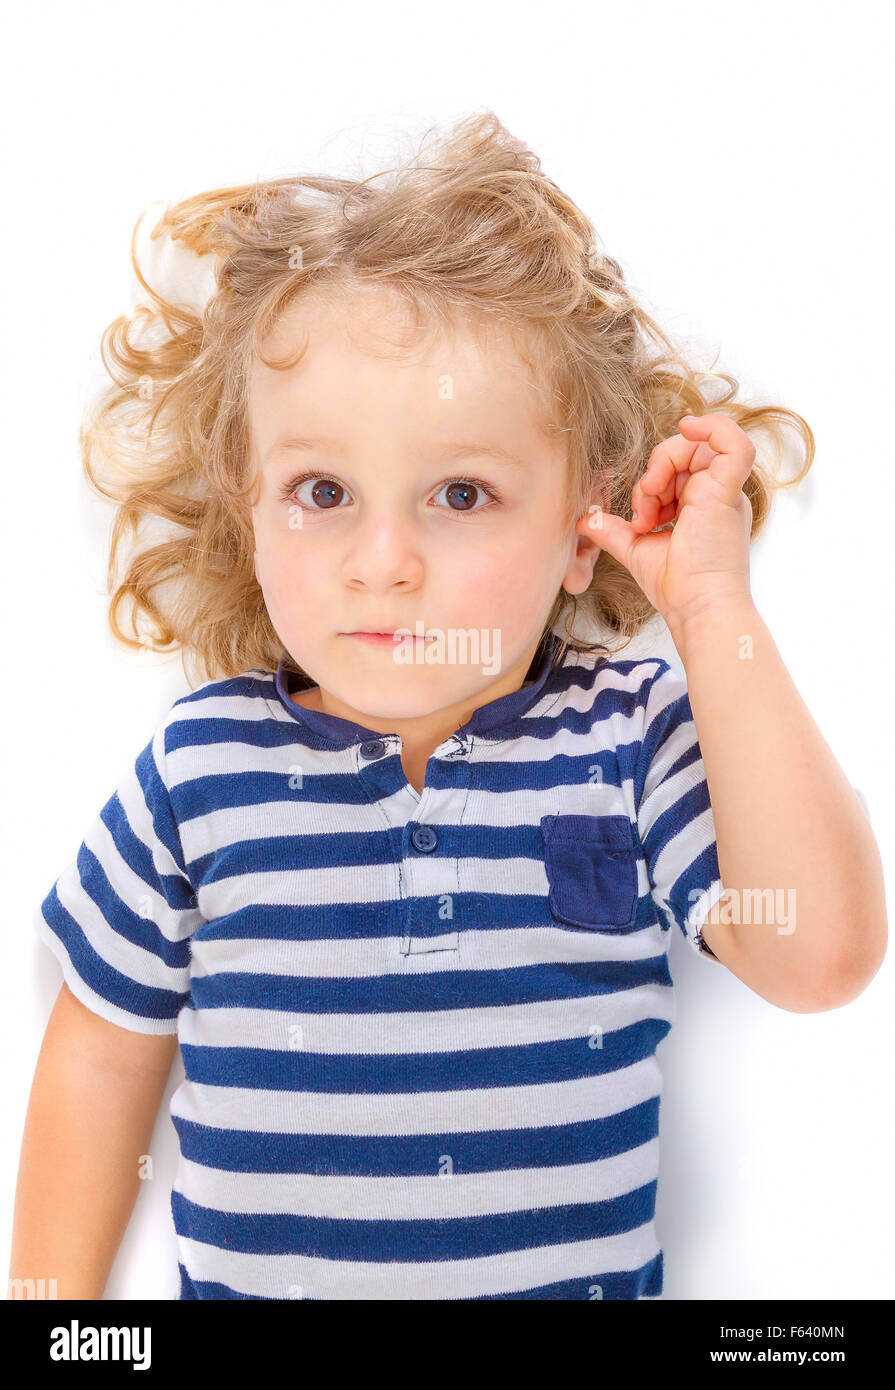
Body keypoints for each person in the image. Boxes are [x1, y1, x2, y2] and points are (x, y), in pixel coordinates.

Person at [9, 110, 887, 1301]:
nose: (384, 561)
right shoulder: (198, 769)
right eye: (322, 488)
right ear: (249, 505)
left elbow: (820, 954)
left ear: (585, 526)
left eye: (461, 492)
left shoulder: (627, 742)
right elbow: (103, 1060)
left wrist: (711, 607)